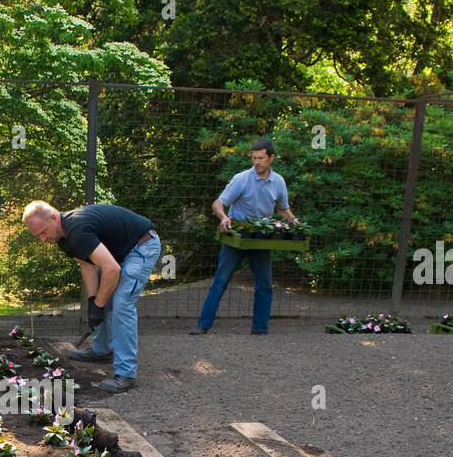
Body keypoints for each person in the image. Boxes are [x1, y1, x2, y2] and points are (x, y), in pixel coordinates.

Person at [22, 200, 161, 393]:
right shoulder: (63, 238)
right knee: (100, 300)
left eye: (43, 232)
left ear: (54, 218)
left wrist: (99, 303)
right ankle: (101, 351)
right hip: (119, 255)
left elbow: (112, 269)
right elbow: (87, 265)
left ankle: (126, 375)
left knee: (121, 304)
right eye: (38, 236)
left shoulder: (77, 229)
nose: (43, 240)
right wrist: (93, 301)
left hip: (142, 247)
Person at [191, 139, 298, 335]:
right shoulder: (241, 179)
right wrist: (223, 218)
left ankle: (260, 329)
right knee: (221, 281)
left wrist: (294, 222)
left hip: (260, 237)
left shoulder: (279, 182)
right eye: (254, 158)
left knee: (264, 285)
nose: (257, 162)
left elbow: (282, 208)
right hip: (237, 236)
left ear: (271, 158)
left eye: (261, 158)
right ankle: (203, 326)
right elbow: (218, 203)